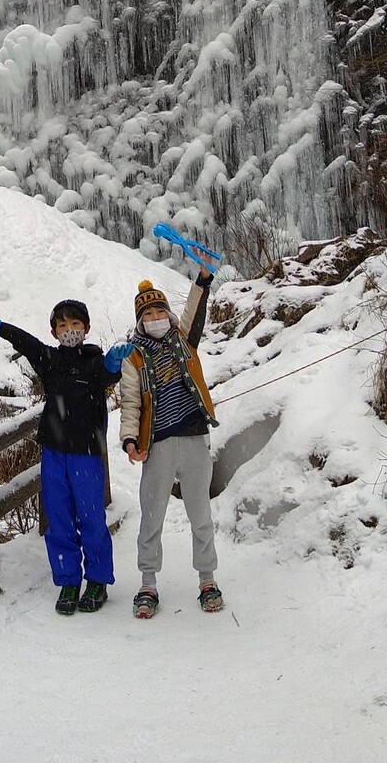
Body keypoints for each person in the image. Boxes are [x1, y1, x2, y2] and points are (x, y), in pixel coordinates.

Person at [0, 297, 132, 615]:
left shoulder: (94, 362)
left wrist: (115, 360)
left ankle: (98, 581)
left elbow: (109, 373)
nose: (69, 330)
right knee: (58, 521)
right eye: (62, 325)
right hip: (54, 453)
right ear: (54, 331)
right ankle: (69, 582)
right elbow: (15, 335)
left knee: (91, 519)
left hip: (86, 455)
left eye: (75, 324)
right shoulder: (48, 358)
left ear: (86, 329)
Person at [119, 255, 222, 618]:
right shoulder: (132, 357)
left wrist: (203, 278)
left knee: (201, 514)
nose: (155, 319)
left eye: (159, 312)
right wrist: (130, 439)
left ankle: (207, 580)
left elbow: (194, 311)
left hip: (194, 439)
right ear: (140, 322)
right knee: (152, 516)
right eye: (147, 316)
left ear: (167, 314)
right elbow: (131, 402)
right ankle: (148, 584)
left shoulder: (184, 340)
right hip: (158, 444)